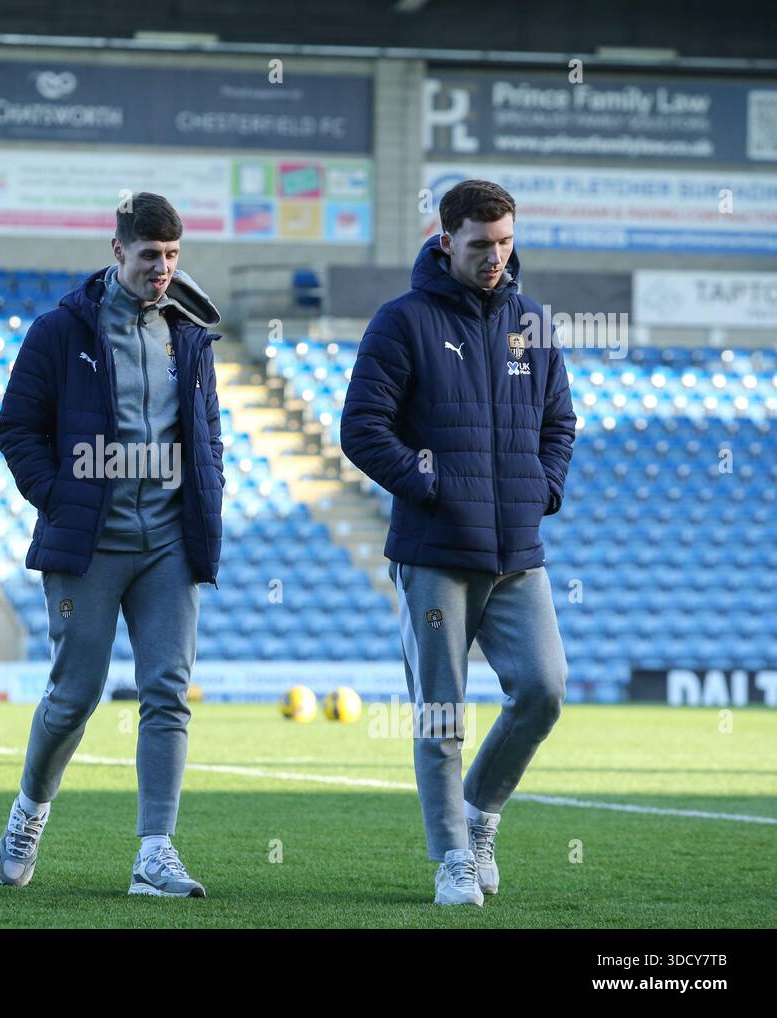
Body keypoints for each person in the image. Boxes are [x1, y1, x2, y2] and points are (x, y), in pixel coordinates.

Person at [341, 179, 575, 906]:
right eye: (480, 245)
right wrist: (431, 484)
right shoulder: (402, 321)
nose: (496, 257)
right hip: (436, 552)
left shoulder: (532, 323)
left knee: (544, 690)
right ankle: (451, 860)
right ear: (446, 241)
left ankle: (479, 813)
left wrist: (544, 490)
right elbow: (362, 429)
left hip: (516, 556)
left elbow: (559, 426)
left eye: (505, 242)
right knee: (441, 714)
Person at [0, 192, 224, 897]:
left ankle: (155, 852)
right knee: (75, 693)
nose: (162, 269)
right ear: (117, 250)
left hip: (168, 546)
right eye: (150, 254)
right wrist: (61, 495)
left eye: (173, 256)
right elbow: (16, 429)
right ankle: (29, 813)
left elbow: (207, 434)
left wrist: (206, 501)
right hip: (89, 543)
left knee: (167, 692)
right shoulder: (61, 331)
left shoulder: (188, 335)